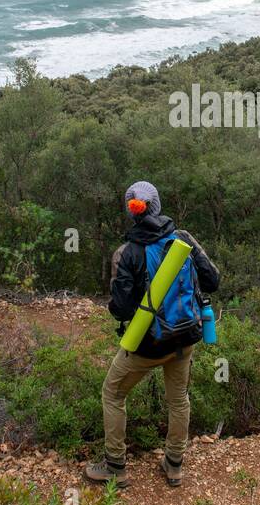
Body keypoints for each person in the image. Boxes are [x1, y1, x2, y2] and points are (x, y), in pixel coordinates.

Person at [84, 180, 219, 488]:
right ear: (157, 206)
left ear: (132, 212)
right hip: (186, 338)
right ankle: (174, 465)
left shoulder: (126, 253)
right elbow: (213, 280)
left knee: (113, 393)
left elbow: (120, 309)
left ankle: (115, 466)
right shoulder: (183, 239)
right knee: (179, 400)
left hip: (146, 345)